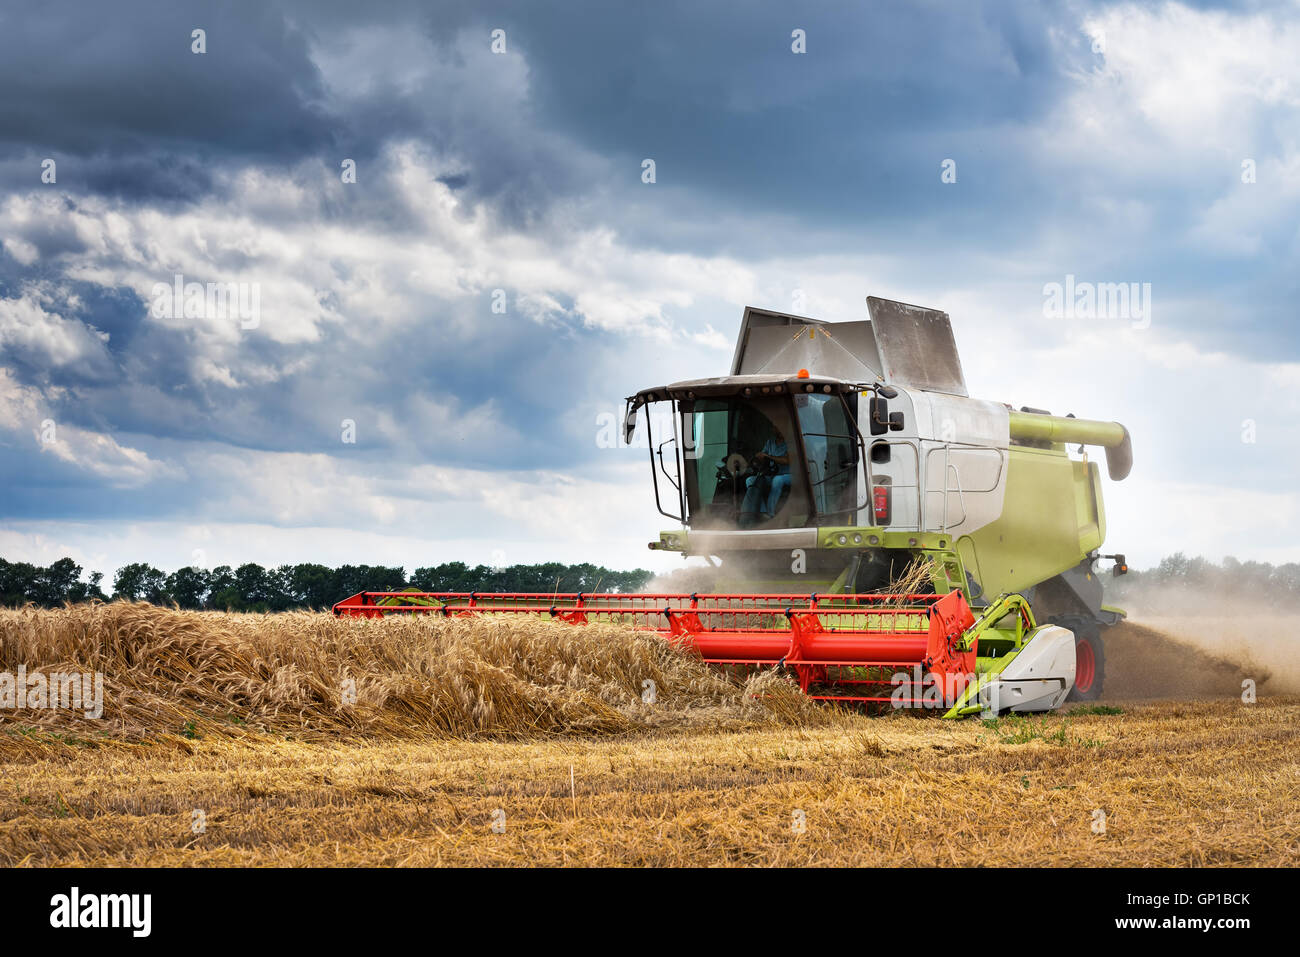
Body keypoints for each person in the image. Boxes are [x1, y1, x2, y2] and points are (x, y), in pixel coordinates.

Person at [740, 434, 791, 524]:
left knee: (778, 480)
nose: (774, 430)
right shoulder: (770, 442)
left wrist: (769, 457)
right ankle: (763, 512)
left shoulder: (791, 442)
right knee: (750, 480)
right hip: (772, 474)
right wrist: (757, 459)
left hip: (790, 475)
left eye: (776, 427)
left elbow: (787, 460)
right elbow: (762, 456)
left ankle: (770, 513)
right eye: (774, 428)